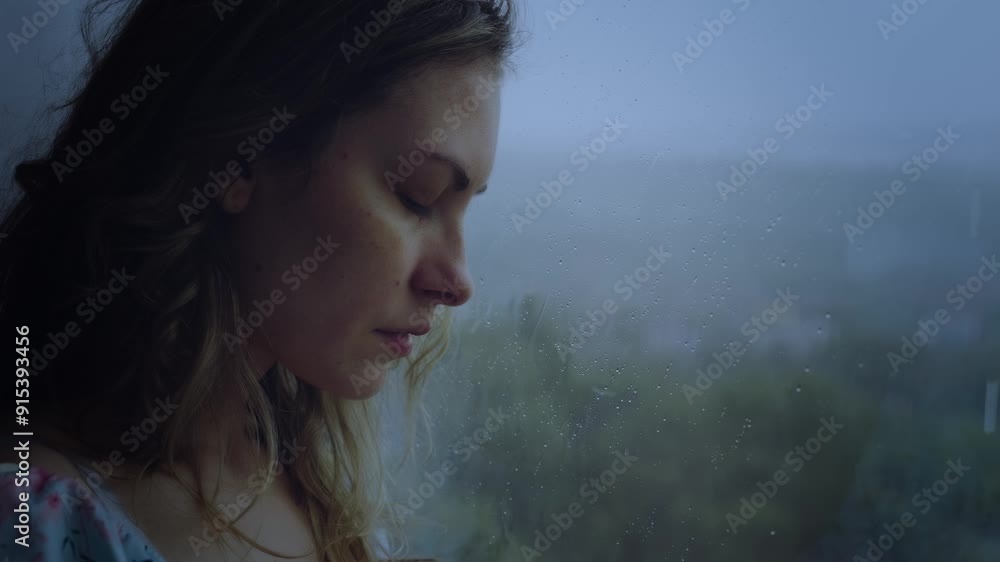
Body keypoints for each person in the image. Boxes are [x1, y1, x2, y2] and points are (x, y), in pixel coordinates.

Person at [0, 0, 521, 560]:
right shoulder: (33, 525)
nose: (458, 283)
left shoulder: (311, 482)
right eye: (417, 195)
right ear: (241, 157)